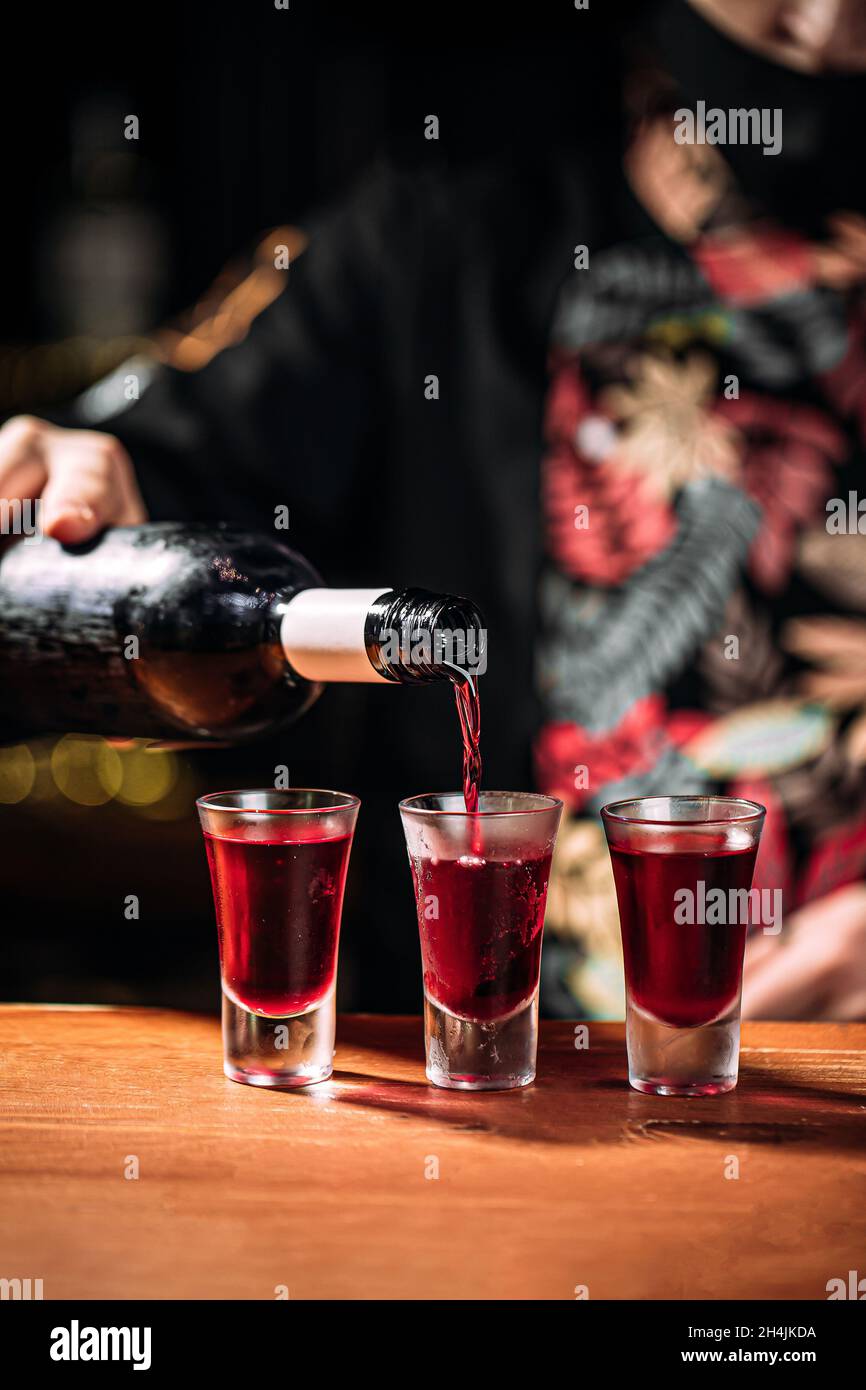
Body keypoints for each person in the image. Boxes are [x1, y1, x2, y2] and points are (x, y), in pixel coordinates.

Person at [2, 0, 866, 1019]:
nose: (826, 15)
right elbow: (163, 469)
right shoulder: (445, 229)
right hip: (510, 1096)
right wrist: (66, 476)